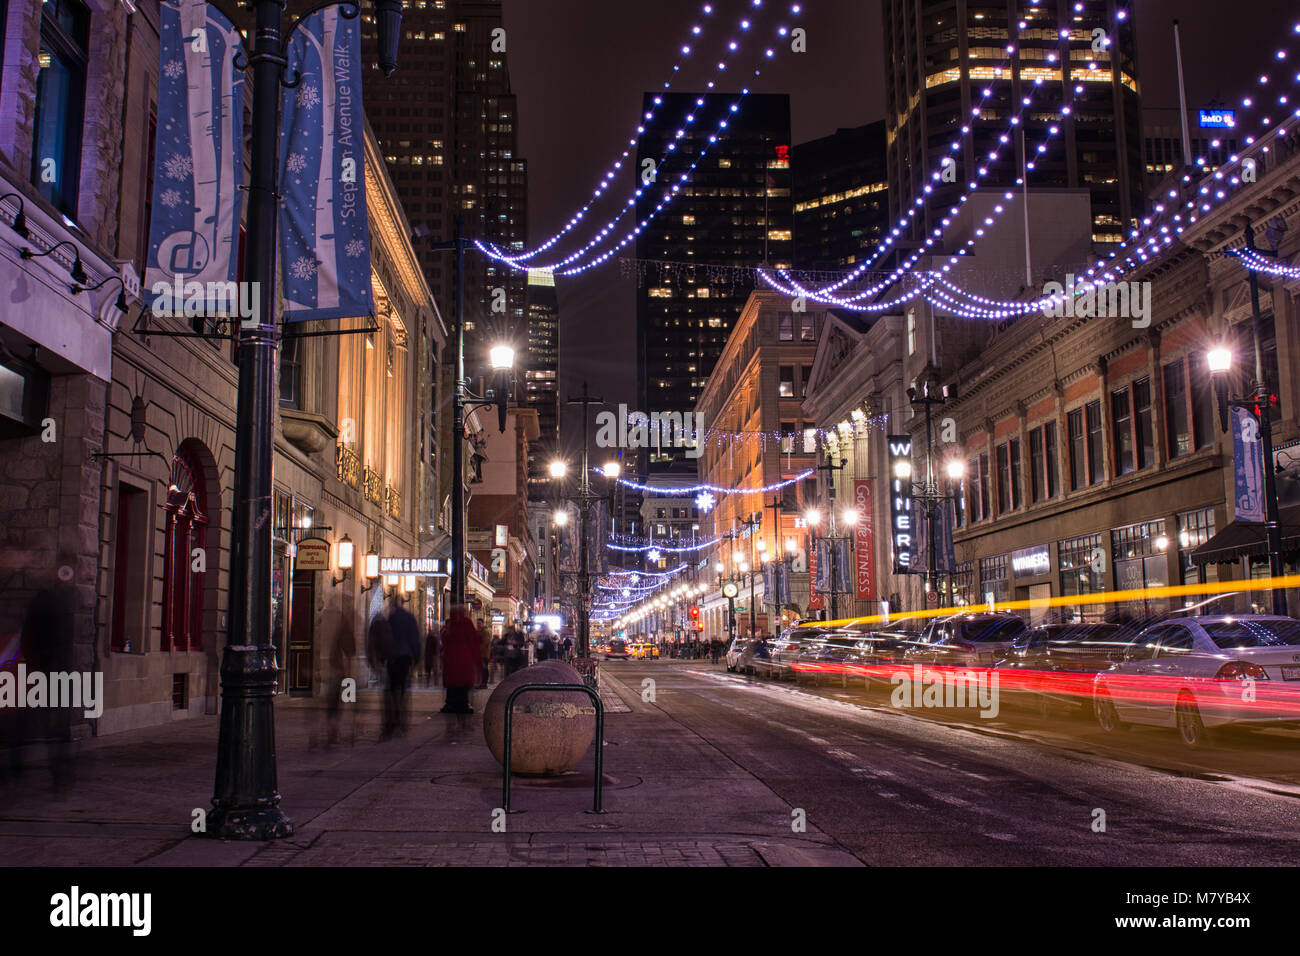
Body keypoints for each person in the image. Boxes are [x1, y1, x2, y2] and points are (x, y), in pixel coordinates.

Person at [383, 596, 421, 739]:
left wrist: (383, 657)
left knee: (392, 689)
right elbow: (415, 640)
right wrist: (416, 659)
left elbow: (386, 638)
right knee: (404, 689)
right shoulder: (409, 618)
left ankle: (392, 720)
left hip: (392, 658)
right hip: (405, 658)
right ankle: (402, 720)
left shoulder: (390, 618)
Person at [440, 604, 480, 714]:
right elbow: (473, 641)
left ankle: (450, 703)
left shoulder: (449, 623)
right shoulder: (467, 623)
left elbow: (444, 639)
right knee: (462, 683)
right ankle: (463, 703)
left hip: (451, 658)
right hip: (464, 658)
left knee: (452, 682)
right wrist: (476, 659)